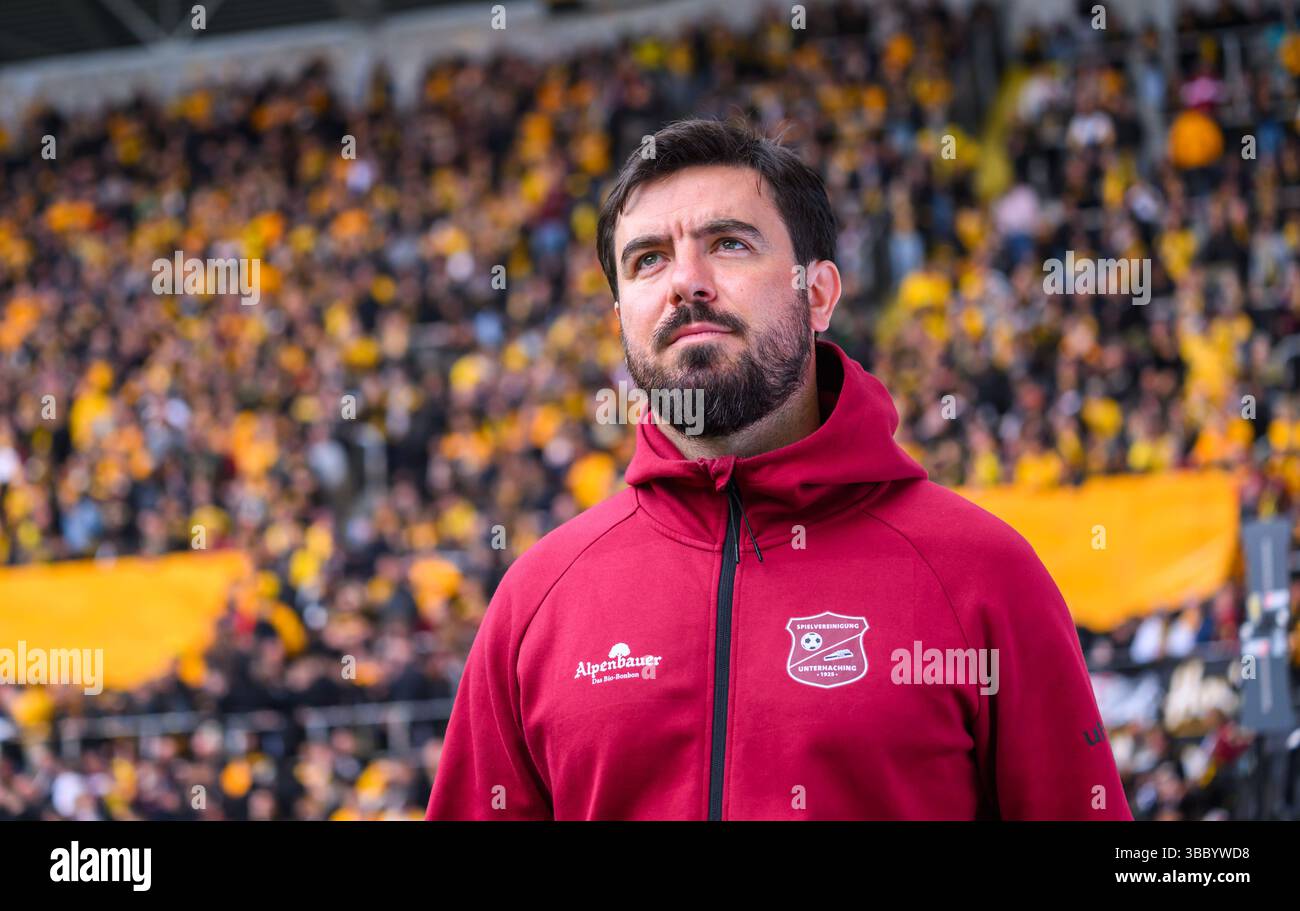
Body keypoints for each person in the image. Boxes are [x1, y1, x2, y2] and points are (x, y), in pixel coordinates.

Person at [425, 118, 1132, 820]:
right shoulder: (535, 602)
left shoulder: (981, 572)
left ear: (819, 294)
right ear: (620, 316)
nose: (687, 283)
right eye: (647, 260)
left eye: (728, 244)